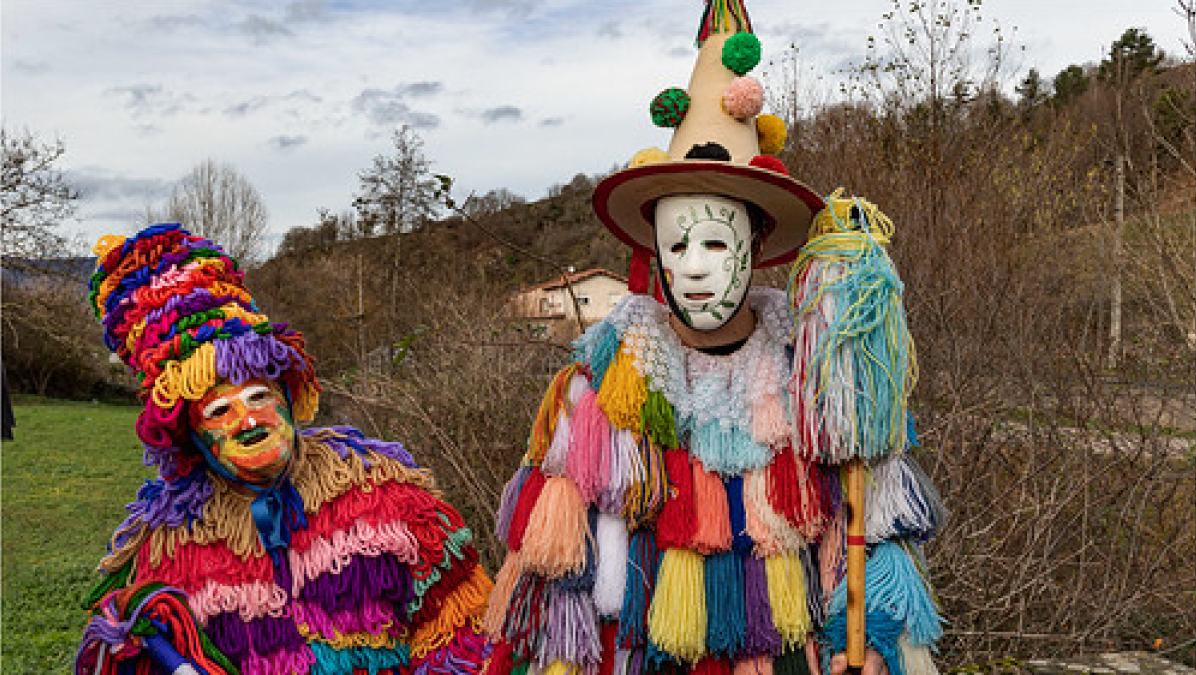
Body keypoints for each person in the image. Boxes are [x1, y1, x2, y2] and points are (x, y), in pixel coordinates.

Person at [482, 2, 944, 675]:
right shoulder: (601, 390)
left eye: (715, 240)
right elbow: (556, 577)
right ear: (654, 253)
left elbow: (870, 529)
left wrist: (871, 632)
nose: (693, 264)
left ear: (756, 244)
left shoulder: (813, 375)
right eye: (676, 243)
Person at [76, 224, 492, 675]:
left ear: (290, 399)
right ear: (189, 436)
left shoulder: (388, 498)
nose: (249, 421)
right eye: (219, 411)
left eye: (259, 398)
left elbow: (464, 626)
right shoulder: (167, 547)